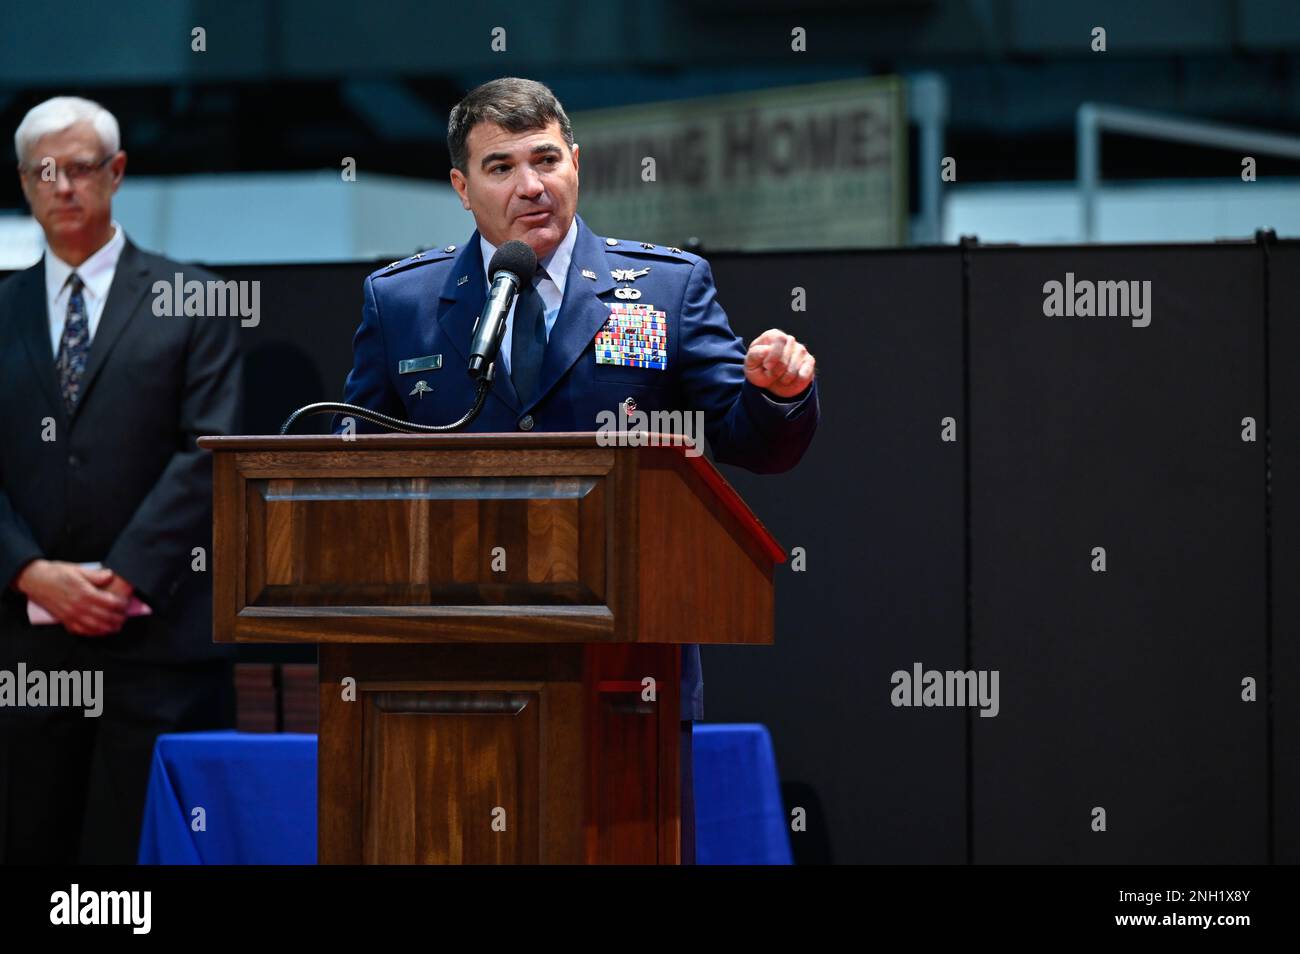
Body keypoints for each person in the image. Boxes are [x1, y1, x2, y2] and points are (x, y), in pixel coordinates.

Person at [338, 77, 819, 860]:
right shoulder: (404, 301)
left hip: (625, 665)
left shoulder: (666, 288)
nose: (530, 186)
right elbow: (357, 471)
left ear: (577, 166)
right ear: (462, 188)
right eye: (500, 167)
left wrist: (780, 394)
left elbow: (752, 440)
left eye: (546, 159)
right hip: (448, 665)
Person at [0, 96, 243, 863]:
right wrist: (31, 572)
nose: (63, 187)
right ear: (23, 182)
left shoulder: (194, 301)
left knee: (140, 859)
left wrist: (119, 577)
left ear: (117, 173)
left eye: (80, 169)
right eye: (46, 172)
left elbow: (211, 452)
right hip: (22, 654)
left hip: (156, 642)